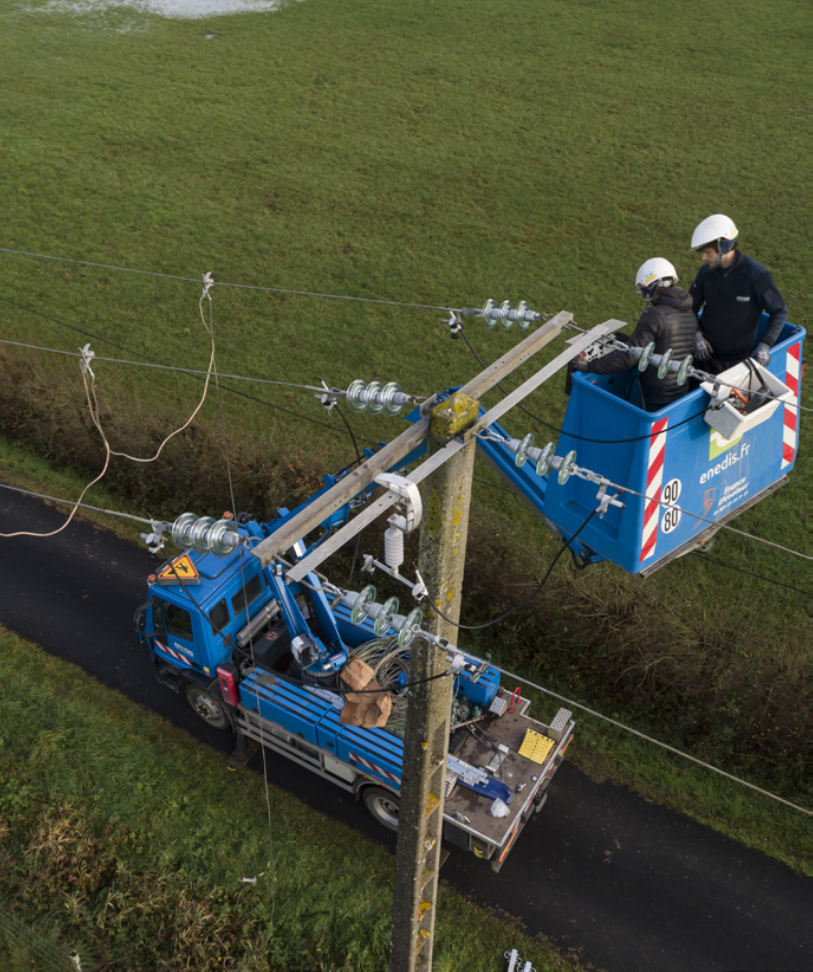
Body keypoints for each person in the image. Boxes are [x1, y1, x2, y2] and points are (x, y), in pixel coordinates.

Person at [573, 258, 698, 412]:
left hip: (657, 394)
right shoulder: (689, 311)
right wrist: (626, 340)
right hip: (680, 390)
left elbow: (630, 356)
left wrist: (589, 366)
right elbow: (665, 344)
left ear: (651, 287)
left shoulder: (655, 314)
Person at [689, 214, 788, 374]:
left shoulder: (756, 276)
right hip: (702, 358)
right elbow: (690, 306)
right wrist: (697, 336)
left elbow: (779, 311)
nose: (703, 258)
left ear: (725, 247)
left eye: (708, 253)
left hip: (737, 365)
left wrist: (765, 344)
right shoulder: (705, 273)